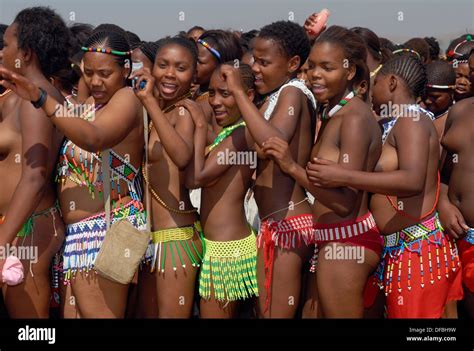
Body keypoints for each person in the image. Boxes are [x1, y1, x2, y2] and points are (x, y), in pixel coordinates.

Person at [1, 28, 146, 318]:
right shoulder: (90, 105)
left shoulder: (127, 100)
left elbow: (94, 138)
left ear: (125, 70)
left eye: (105, 74)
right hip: (80, 236)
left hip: (109, 233)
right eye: (88, 73)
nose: (95, 82)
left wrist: (42, 98)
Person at [308, 54, 463, 318]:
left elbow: (411, 180)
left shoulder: (412, 121)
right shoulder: (393, 124)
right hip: (399, 250)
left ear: (391, 82)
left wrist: (344, 176)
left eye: (376, 82)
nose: (371, 91)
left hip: (416, 251)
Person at [264, 25, 382, 318]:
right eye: (312, 66)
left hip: (346, 243)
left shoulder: (353, 118)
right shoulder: (336, 112)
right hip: (334, 241)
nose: (315, 74)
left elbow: (344, 202)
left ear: (350, 71)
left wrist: (291, 167)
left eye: (327, 68)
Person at [220, 20, 317, 318]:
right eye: (254, 60)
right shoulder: (277, 95)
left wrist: (237, 92)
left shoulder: (293, 93)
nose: (255, 68)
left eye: (264, 62)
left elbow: (271, 142)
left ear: (292, 63)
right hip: (273, 223)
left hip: (288, 225)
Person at [0, 7, 69, 318]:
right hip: (17, 227)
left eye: (6, 43)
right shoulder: (23, 97)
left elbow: (35, 175)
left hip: (28, 229)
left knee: (31, 331)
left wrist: (2, 241)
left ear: (25, 53)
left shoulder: (35, 100)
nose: (2, 50)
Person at [132, 37, 203, 318]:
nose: (170, 74)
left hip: (176, 239)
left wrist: (148, 100)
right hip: (153, 238)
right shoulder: (164, 110)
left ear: (194, 75)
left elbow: (181, 156)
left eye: (181, 68)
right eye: (163, 65)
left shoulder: (185, 111)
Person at [183, 62, 258, 318]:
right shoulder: (228, 133)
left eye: (225, 93)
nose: (215, 101)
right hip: (221, 246)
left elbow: (198, 177)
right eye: (212, 93)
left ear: (247, 96)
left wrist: (200, 126)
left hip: (227, 251)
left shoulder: (242, 134)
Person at [438, 48, 474, 318]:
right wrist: (443, 202)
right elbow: (443, 174)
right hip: (453, 236)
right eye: (472, 70)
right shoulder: (460, 111)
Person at [422, 60, 456, 142]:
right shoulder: (415, 112)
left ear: (451, 91)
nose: (427, 101)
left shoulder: (456, 120)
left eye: (434, 97)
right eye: (424, 94)